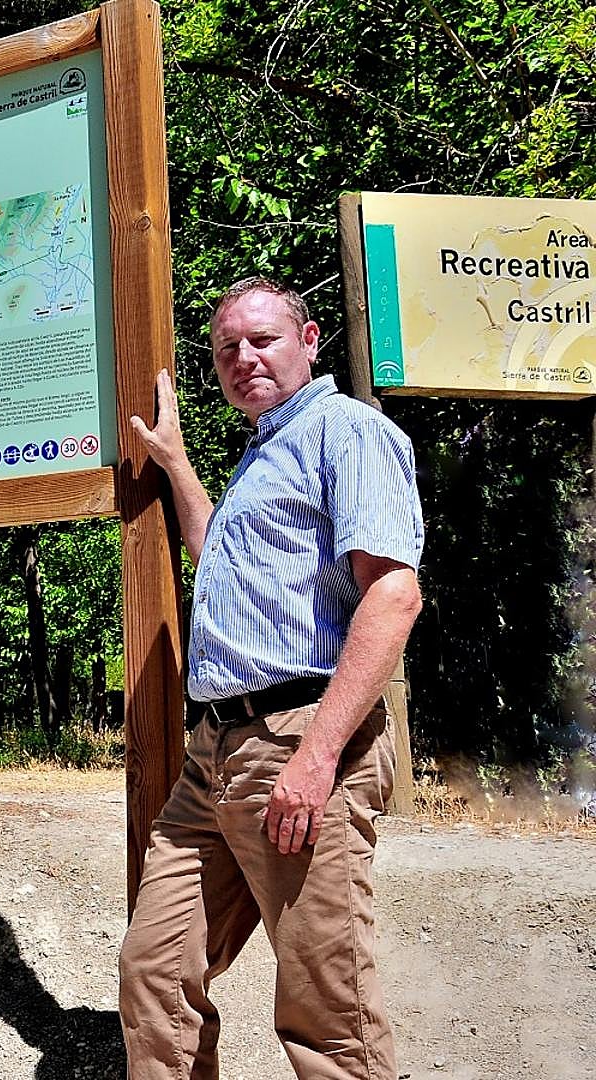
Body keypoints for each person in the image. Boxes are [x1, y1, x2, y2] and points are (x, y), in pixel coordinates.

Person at [119, 277, 424, 1080]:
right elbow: (219, 557)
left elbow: (394, 595)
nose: (242, 358)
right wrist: (178, 464)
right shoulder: (265, 451)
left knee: (327, 1013)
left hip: (298, 740)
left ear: (310, 338)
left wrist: (318, 757)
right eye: (227, 348)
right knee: (155, 973)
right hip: (213, 754)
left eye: (261, 340)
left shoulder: (347, 432)